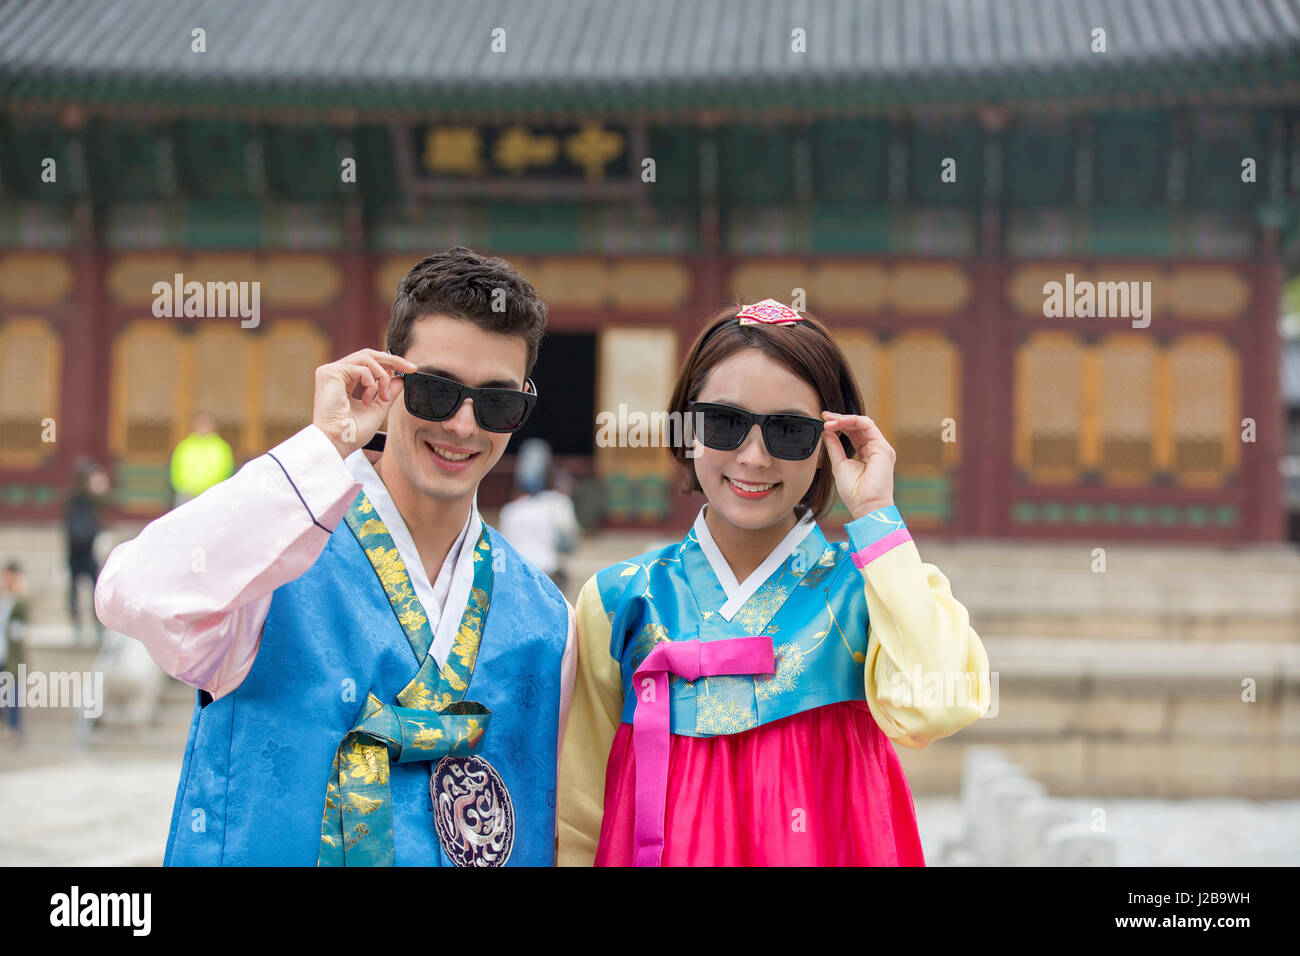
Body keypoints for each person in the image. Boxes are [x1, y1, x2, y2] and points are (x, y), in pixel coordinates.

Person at [96, 246, 576, 867]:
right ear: (388, 380)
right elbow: (132, 592)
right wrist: (323, 448)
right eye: (435, 390)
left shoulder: (548, 622)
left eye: (498, 403)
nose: (462, 425)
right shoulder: (274, 564)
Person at [557, 299, 991, 866]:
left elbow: (934, 709)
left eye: (789, 431)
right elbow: (582, 806)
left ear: (829, 446)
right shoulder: (621, 600)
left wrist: (877, 515)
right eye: (725, 423)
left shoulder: (866, 592)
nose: (754, 456)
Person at [499, 439, 581, 594]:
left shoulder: (510, 510)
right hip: (548, 570)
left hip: (519, 571)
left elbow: (504, 546)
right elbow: (571, 538)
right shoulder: (556, 504)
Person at [63, 459, 109, 644]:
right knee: (84, 588)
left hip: (83, 549)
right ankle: (82, 627)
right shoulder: (78, 496)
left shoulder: (89, 497)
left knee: (88, 588)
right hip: (80, 549)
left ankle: (88, 626)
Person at [169, 412, 234, 507]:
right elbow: (177, 469)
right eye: (200, 424)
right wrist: (183, 487)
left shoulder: (221, 447)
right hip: (186, 493)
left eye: (206, 424)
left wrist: (213, 489)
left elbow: (224, 470)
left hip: (212, 493)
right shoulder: (185, 446)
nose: (203, 427)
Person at [0, 559, 29, 748]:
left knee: (13, 695)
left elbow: (20, 629)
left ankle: (14, 729)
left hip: (13, 656)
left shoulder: (20, 601)